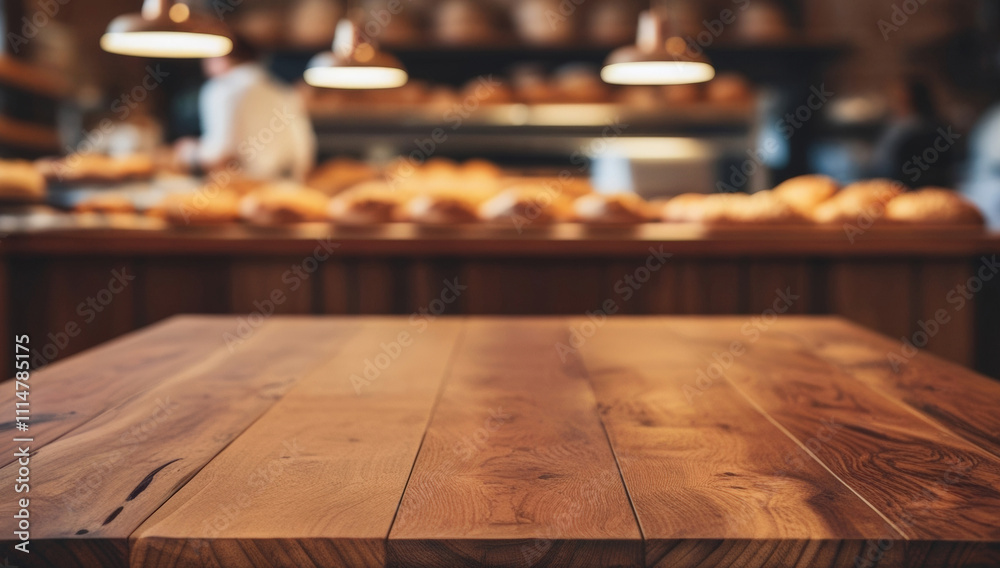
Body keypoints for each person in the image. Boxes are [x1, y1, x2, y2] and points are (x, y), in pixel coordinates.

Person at [175, 36, 316, 181]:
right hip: (287, 189)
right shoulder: (283, 92)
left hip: (244, 188)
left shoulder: (222, 88)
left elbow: (220, 154)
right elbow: (304, 155)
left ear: (222, 57)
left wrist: (189, 152)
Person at [869, 77, 955, 188]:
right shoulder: (941, 126)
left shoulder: (904, 131)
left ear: (908, 99)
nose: (892, 102)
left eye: (898, 97)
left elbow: (882, 166)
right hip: (939, 188)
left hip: (902, 189)